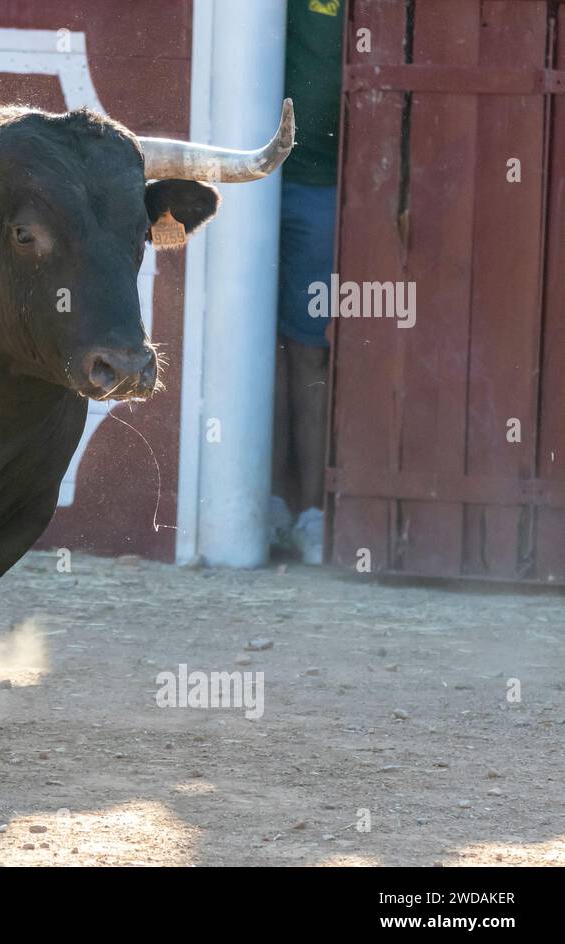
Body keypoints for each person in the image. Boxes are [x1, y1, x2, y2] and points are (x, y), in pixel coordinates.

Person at [271, 0, 343, 564]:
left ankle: (312, 513)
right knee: (256, 348)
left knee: (309, 349)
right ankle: (265, 503)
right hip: (258, 175)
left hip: (326, 183)